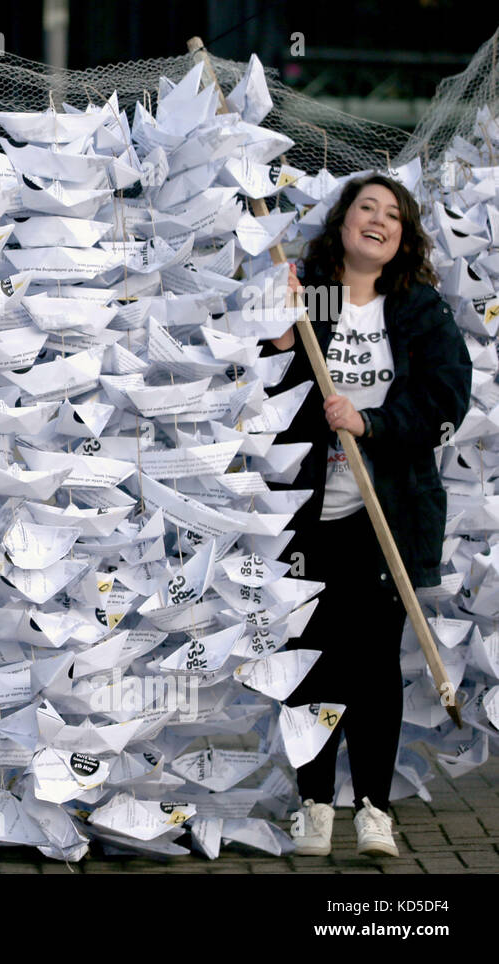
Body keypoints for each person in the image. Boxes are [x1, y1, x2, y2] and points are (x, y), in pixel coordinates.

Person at [261, 174, 470, 858]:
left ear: (402, 238)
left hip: (388, 514)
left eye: (392, 215)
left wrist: (371, 421)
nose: (377, 221)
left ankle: (374, 808)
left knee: (376, 662)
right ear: (343, 223)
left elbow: (446, 400)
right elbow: (259, 388)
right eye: (365, 208)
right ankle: (314, 804)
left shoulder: (418, 310)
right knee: (310, 657)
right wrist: (283, 348)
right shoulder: (307, 297)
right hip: (304, 510)